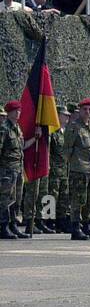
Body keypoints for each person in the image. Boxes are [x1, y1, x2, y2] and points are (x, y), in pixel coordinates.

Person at [64, 98, 90, 240]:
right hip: (79, 169)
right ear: (80, 110)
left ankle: (87, 227)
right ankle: (76, 228)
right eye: (85, 109)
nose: (87, 112)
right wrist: (71, 166)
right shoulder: (74, 126)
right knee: (78, 200)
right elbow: (67, 149)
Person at [0, 101, 24, 240]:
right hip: (7, 169)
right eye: (14, 111)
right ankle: (3, 226)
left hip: (17, 168)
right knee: (5, 199)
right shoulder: (4, 129)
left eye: (19, 111)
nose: (17, 113)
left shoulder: (17, 128)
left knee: (16, 198)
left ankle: (13, 224)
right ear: (8, 113)